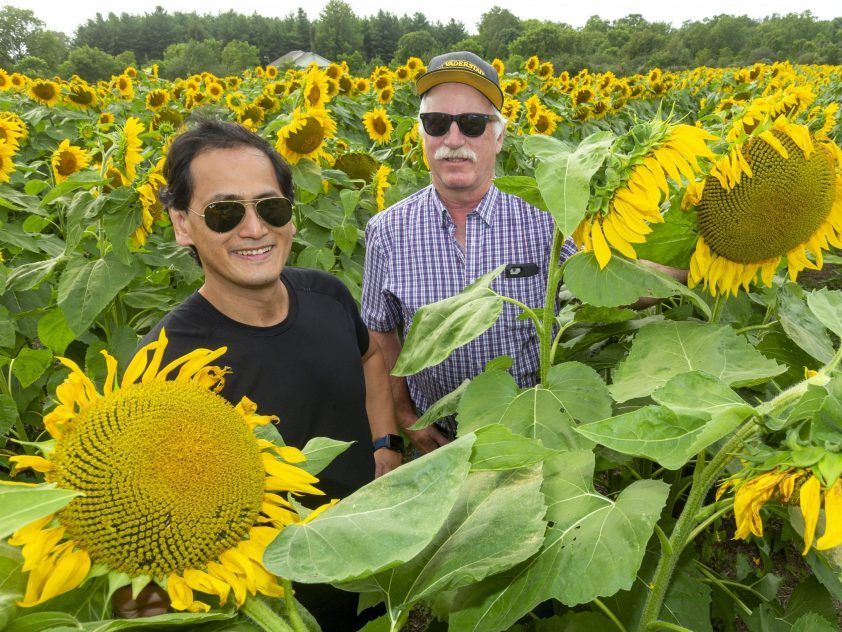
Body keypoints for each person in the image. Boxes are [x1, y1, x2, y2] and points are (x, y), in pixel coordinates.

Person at [130, 119, 400, 626]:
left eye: (270, 207)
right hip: (270, 601)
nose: (254, 229)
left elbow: (368, 359)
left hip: (369, 557)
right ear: (182, 224)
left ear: (291, 218)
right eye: (224, 211)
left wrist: (385, 442)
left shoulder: (327, 295)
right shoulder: (165, 361)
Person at [361, 51, 578, 454]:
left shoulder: (547, 221)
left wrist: (687, 272)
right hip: (435, 439)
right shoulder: (387, 231)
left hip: (528, 432)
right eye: (437, 123)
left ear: (498, 137)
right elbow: (379, 330)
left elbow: (601, 281)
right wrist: (404, 415)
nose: (454, 140)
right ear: (421, 134)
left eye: (473, 124)